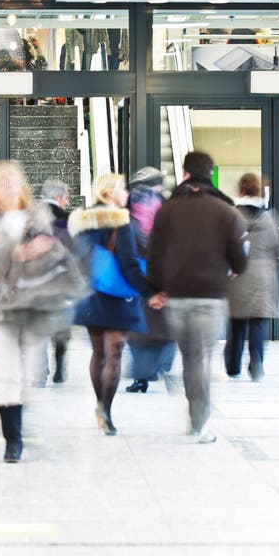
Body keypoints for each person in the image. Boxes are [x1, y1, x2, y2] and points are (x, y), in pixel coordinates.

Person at [0, 161, 84, 462]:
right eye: (1, 182)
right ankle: (12, 442)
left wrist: (40, 249)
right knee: (8, 373)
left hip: (35, 304)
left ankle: (14, 410)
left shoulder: (36, 213)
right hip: (1, 305)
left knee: (31, 373)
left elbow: (57, 252)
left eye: (13, 180)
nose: (8, 186)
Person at [147, 151, 247, 443]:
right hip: (211, 297)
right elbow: (240, 260)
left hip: (177, 297)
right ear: (210, 173)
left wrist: (157, 288)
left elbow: (154, 255)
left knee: (190, 357)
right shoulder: (226, 211)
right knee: (201, 359)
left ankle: (196, 417)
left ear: (186, 173)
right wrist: (231, 272)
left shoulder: (167, 210)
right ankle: (198, 422)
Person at [68, 173, 163, 437]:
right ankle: (106, 412)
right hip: (118, 295)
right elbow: (129, 266)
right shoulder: (121, 222)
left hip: (90, 294)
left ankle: (100, 407)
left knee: (99, 353)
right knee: (115, 352)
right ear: (109, 193)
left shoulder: (81, 221)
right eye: (122, 188)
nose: (127, 194)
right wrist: (150, 292)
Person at [225, 173, 279, 381]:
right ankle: (256, 362)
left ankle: (233, 366)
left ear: (240, 191)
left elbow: (224, 246)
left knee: (236, 323)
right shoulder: (270, 217)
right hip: (263, 277)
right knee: (257, 323)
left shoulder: (231, 216)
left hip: (236, 276)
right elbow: (277, 250)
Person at [125, 167, 176, 393]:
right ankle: (161, 365)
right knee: (164, 320)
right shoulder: (168, 207)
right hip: (163, 271)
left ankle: (142, 376)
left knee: (139, 324)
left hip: (135, 273)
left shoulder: (127, 208)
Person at [40, 178, 72, 383]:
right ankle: (59, 368)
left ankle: (40, 368)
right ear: (58, 197)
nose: (68, 202)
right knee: (60, 326)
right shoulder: (66, 218)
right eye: (66, 198)